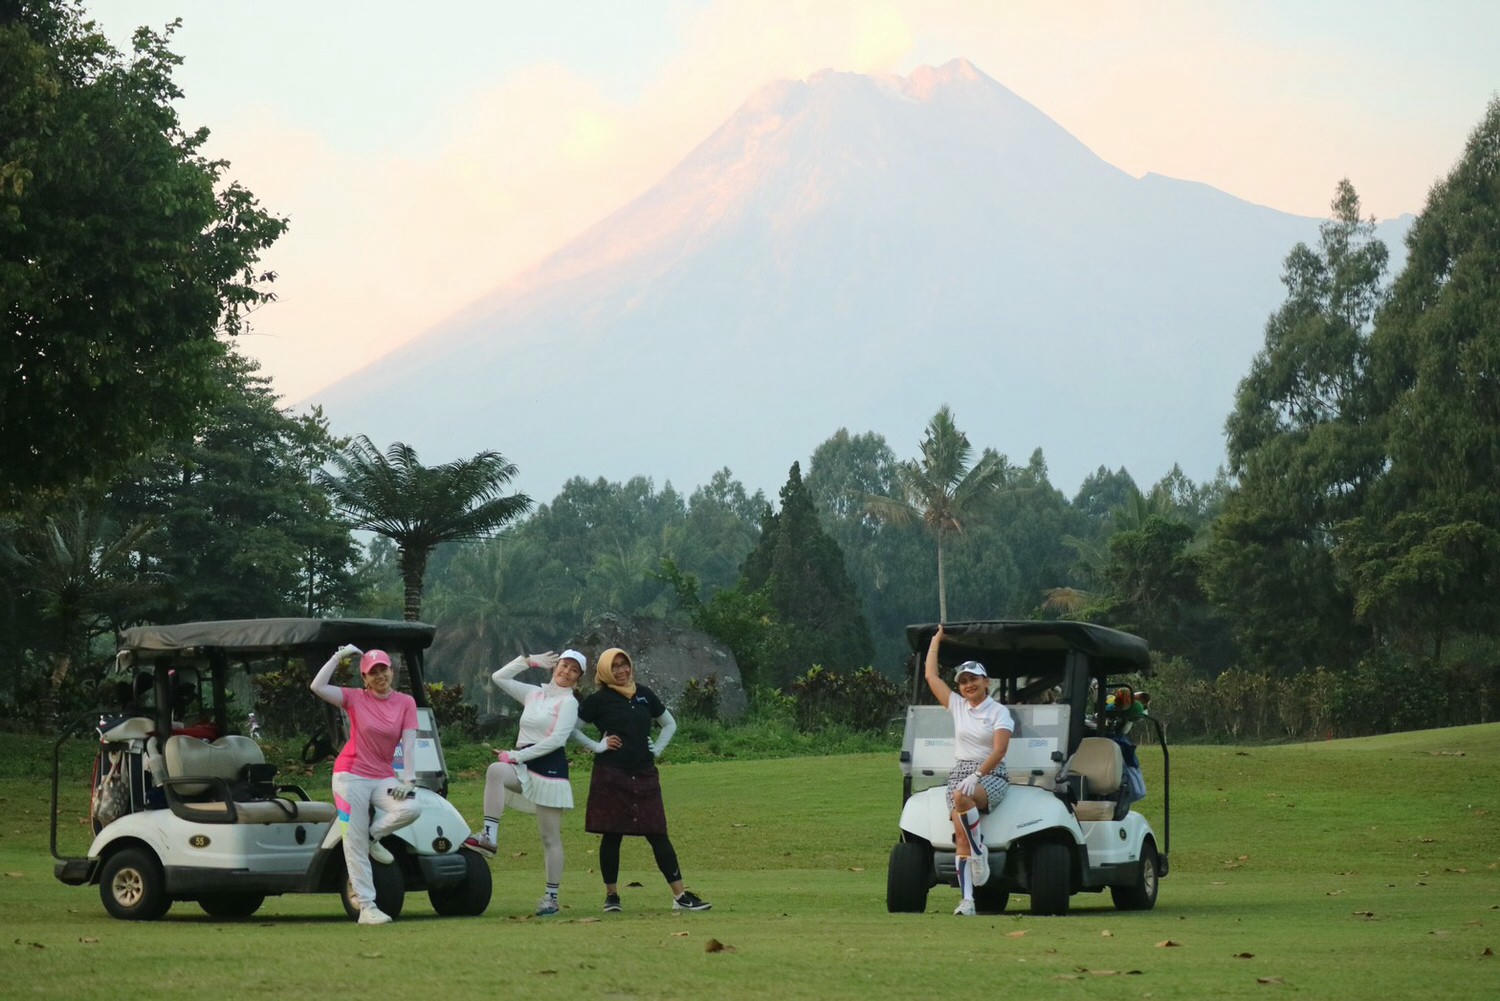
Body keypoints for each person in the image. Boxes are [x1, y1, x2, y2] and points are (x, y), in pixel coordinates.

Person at [572, 647, 711, 913]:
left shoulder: (644, 694)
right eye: (615, 667)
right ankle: (612, 896)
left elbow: (669, 724)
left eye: (625, 665)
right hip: (611, 774)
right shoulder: (599, 700)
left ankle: (680, 896)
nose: (622, 671)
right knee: (612, 835)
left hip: (644, 773)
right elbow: (571, 729)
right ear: (604, 671)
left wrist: (656, 749)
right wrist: (597, 745)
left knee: (658, 833)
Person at [463, 648, 584, 916]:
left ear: (578, 679)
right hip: (525, 764)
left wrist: (516, 755)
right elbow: (499, 677)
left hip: (550, 770)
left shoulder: (569, 703)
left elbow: (556, 741)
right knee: (496, 771)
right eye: (564, 665)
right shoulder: (534, 693)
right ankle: (489, 837)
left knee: (549, 838)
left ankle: (551, 898)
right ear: (555, 666)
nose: (566, 672)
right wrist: (528, 661)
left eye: (574, 671)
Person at [309, 643, 422, 926]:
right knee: (353, 841)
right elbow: (317, 686)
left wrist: (408, 778)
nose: (379, 676)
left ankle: (374, 837)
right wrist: (338, 656)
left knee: (411, 808)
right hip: (350, 776)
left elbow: (408, 744)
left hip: (384, 776)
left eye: (383, 669)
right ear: (365, 678)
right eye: (373, 672)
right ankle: (367, 908)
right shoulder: (355, 698)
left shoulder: (405, 703)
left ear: (391, 671)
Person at [925, 625, 1013, 916]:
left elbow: (999, 750)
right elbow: (931, 676)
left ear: (986, 682)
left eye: (973, 679)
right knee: (959, 835)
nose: (967, 685)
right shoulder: (958, 706)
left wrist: (977, 776)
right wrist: (936, 640)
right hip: (960, 770)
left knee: (963, 798)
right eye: (963, 681)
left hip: (991, 772)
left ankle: (978, 852)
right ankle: (968, 900)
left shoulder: (999, 712)